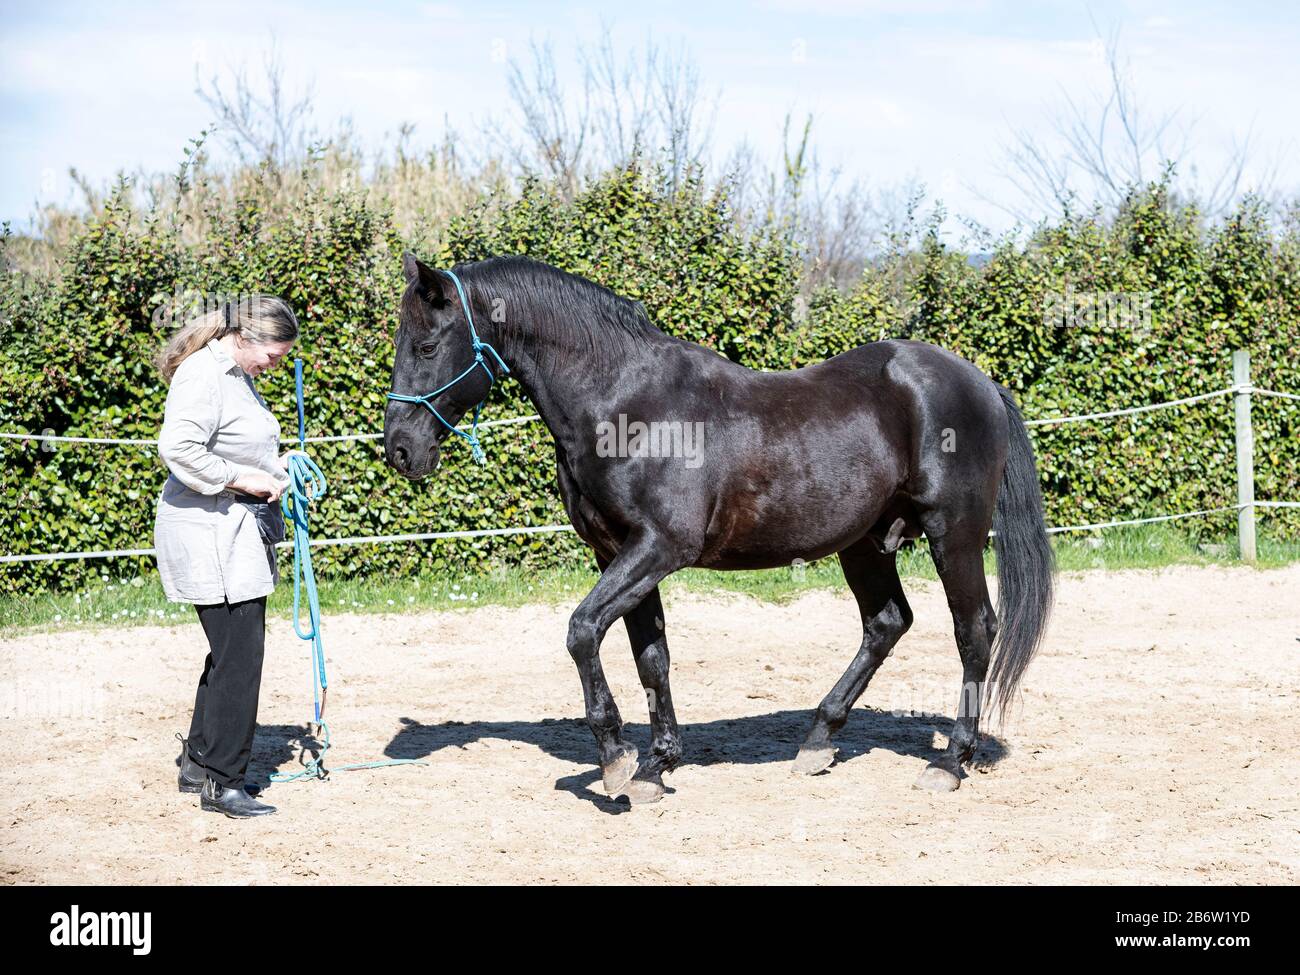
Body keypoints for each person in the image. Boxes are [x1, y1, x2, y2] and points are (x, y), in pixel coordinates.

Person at [153, 295, 300, 818]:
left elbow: (233, 443)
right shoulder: (204, 374)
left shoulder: (236, 374)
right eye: (273, 356)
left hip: (231, 529)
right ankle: (224, 782)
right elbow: (180, 448)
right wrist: (243, 478)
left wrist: (276, 465)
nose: (274, 366)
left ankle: (199, 763)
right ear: (247, 337)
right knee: (242, 655)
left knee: (229, 651)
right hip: (210, 530)